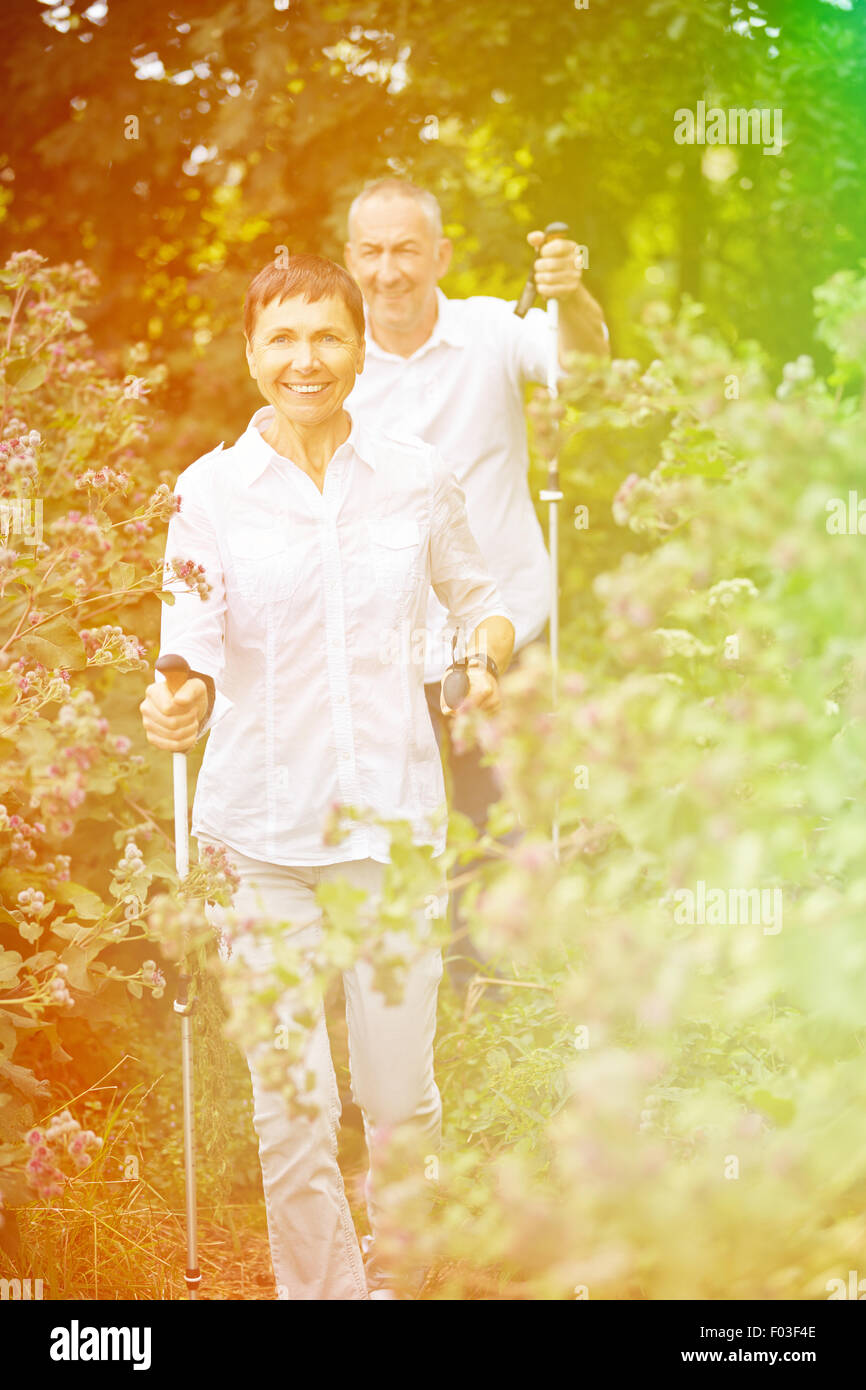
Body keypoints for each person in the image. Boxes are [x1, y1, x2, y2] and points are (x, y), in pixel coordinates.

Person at [138, 253, 514, 1300]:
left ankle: (396, 1281)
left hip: (390, 833)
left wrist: (481, 657)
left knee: (400, 1100)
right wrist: (176, 700)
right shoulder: (208, 493)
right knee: (290, 1101)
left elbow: (481, 595)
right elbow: (189, 645)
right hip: (257, 839)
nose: (306, 359)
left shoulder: (415, 476)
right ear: (252, 352)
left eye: (327, 337)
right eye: (283, 339)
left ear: (357, 349)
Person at [343, 179, 609, 968]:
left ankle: (502, 1013)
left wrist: (575, 297)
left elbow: (582, 368)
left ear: (441, 255)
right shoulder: (333, 360)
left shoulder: (495, 329)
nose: (389, 270)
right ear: (351, 258)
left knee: (505, 824)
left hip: (503, 631)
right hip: (383, 644)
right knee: (394, 833)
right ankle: (403, 1002)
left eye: (406, 250)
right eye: (372, 251)